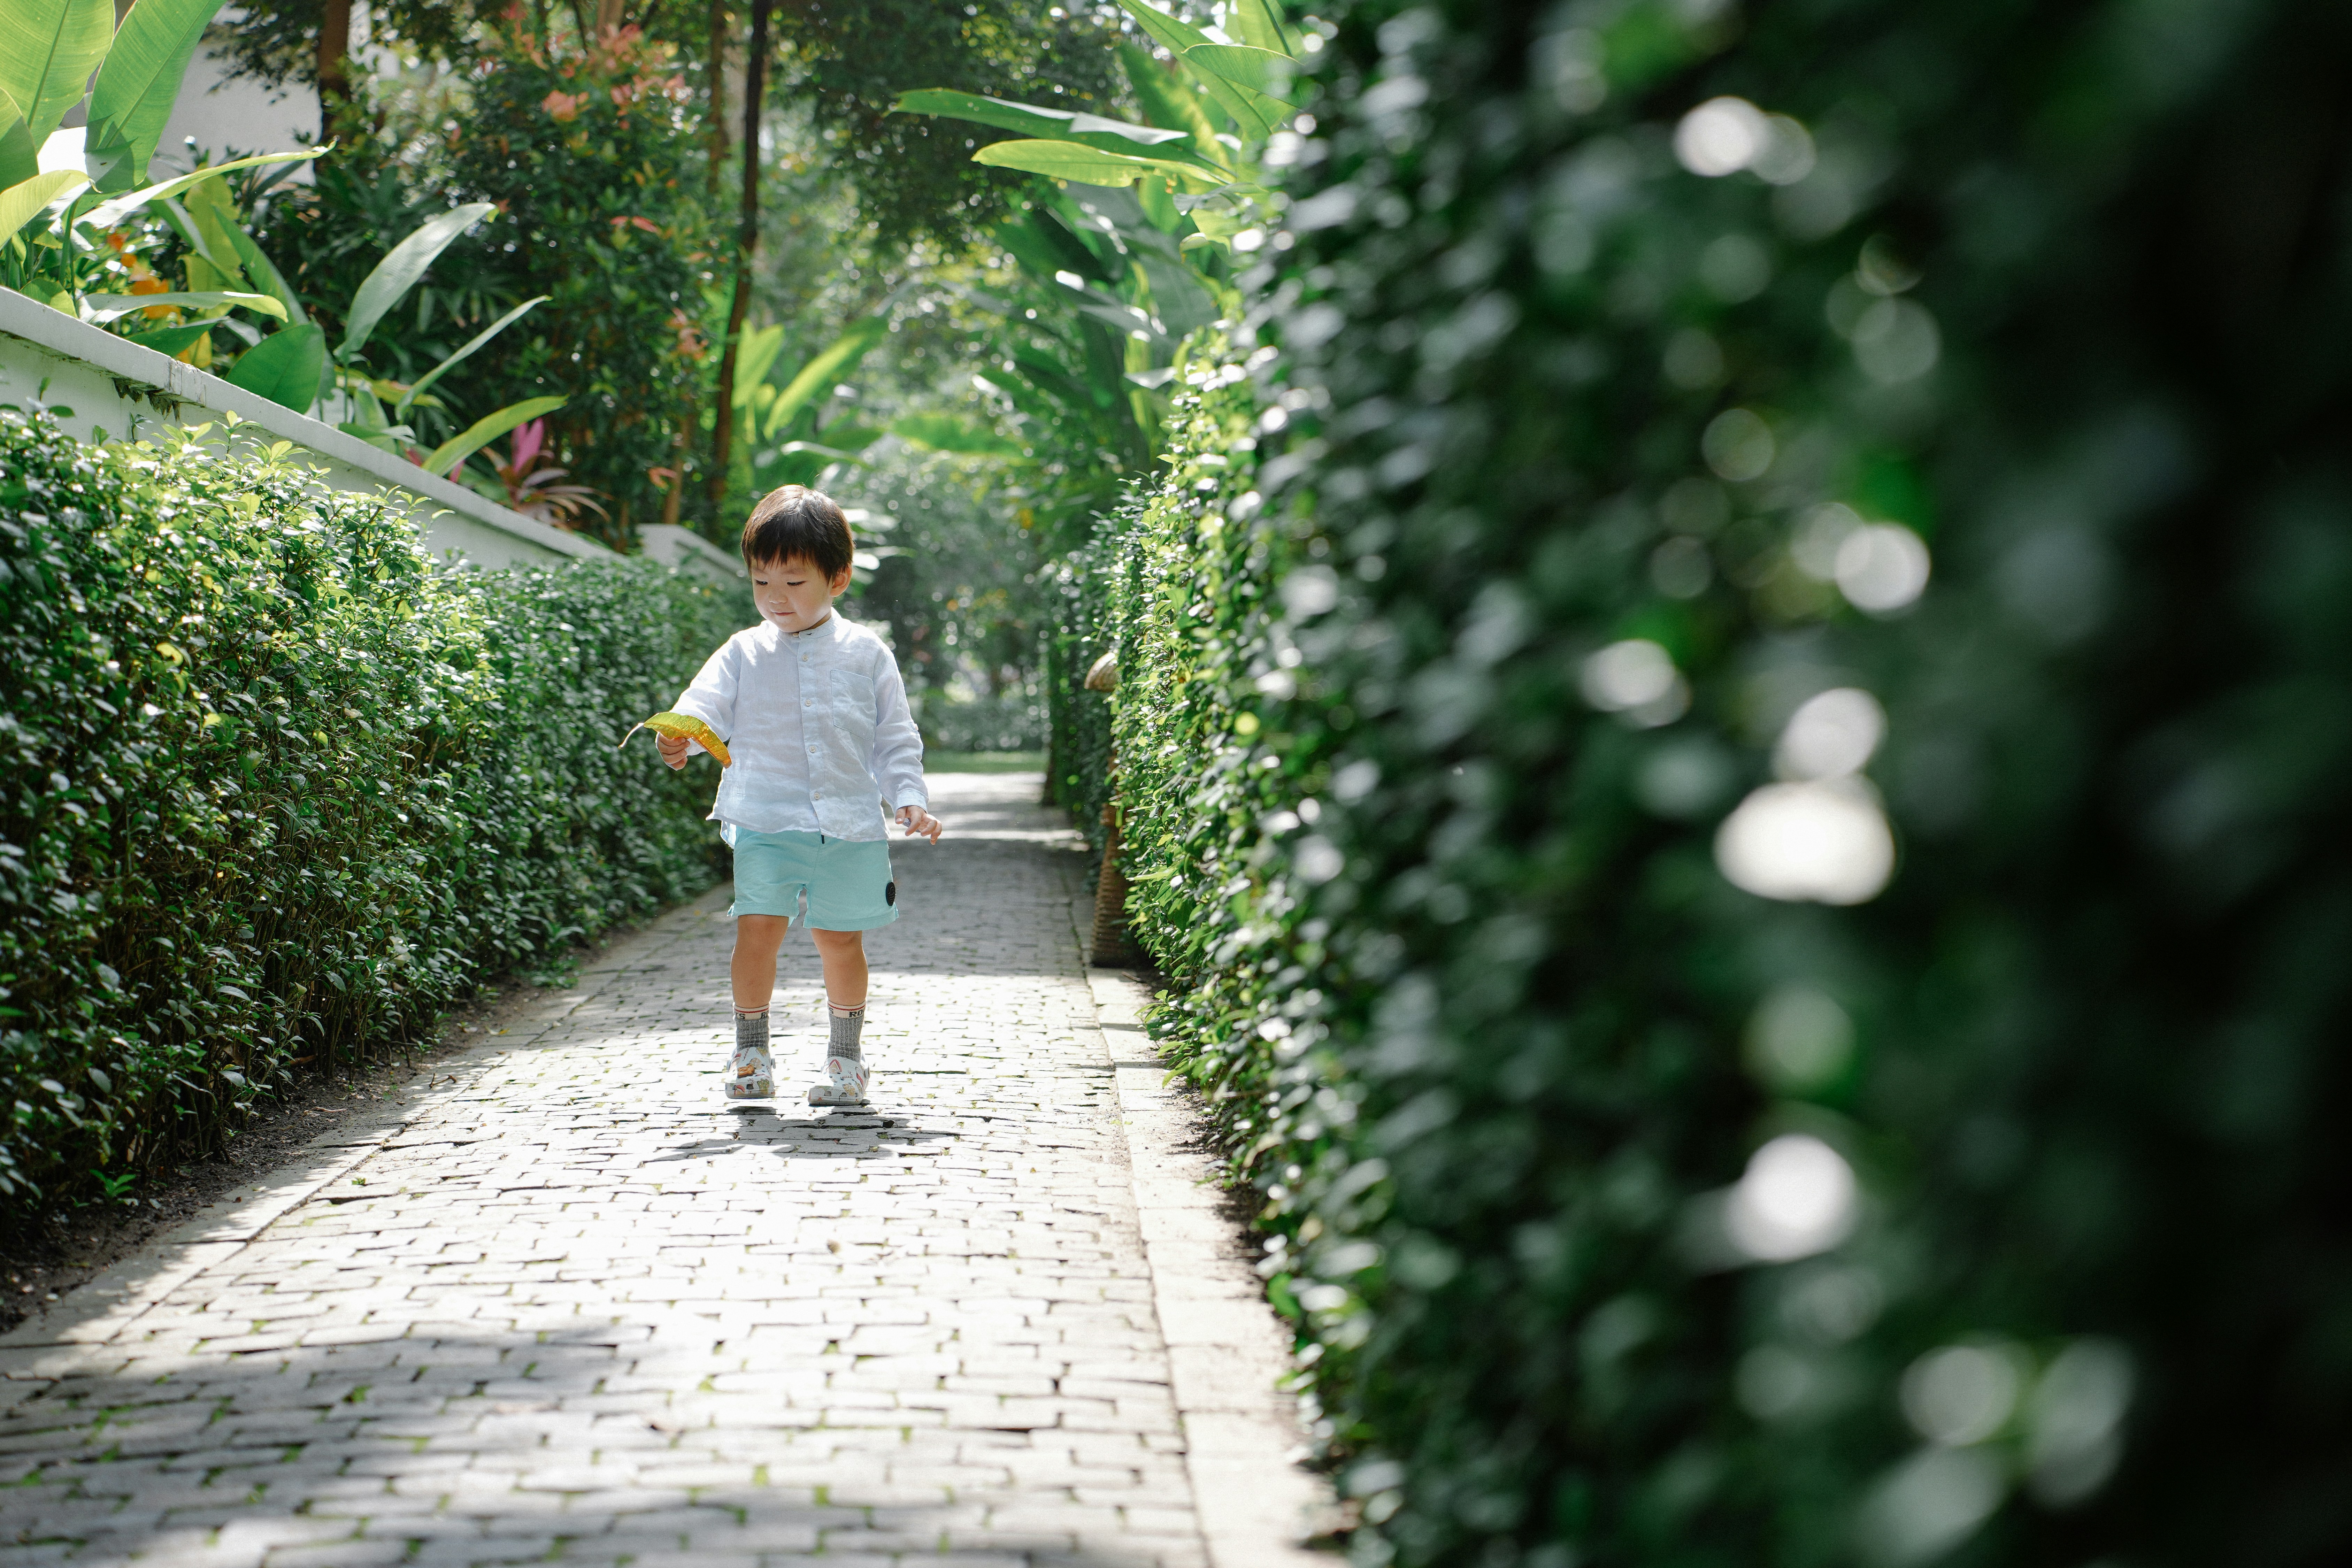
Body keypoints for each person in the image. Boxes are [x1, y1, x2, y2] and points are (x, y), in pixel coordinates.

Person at [655, 485, 943, 1107]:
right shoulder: (742, 651)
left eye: (792, 582)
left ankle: (846, 1060)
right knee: (756, 928)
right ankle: (751, 1051)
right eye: (762, 583)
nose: (775, 599)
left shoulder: (867, 654)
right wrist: (681, 740)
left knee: (841, 938)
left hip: (849, 825)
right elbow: (704, 709)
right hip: (763, 815)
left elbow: (893, 735)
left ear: (837, 578)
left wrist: (908, 797)